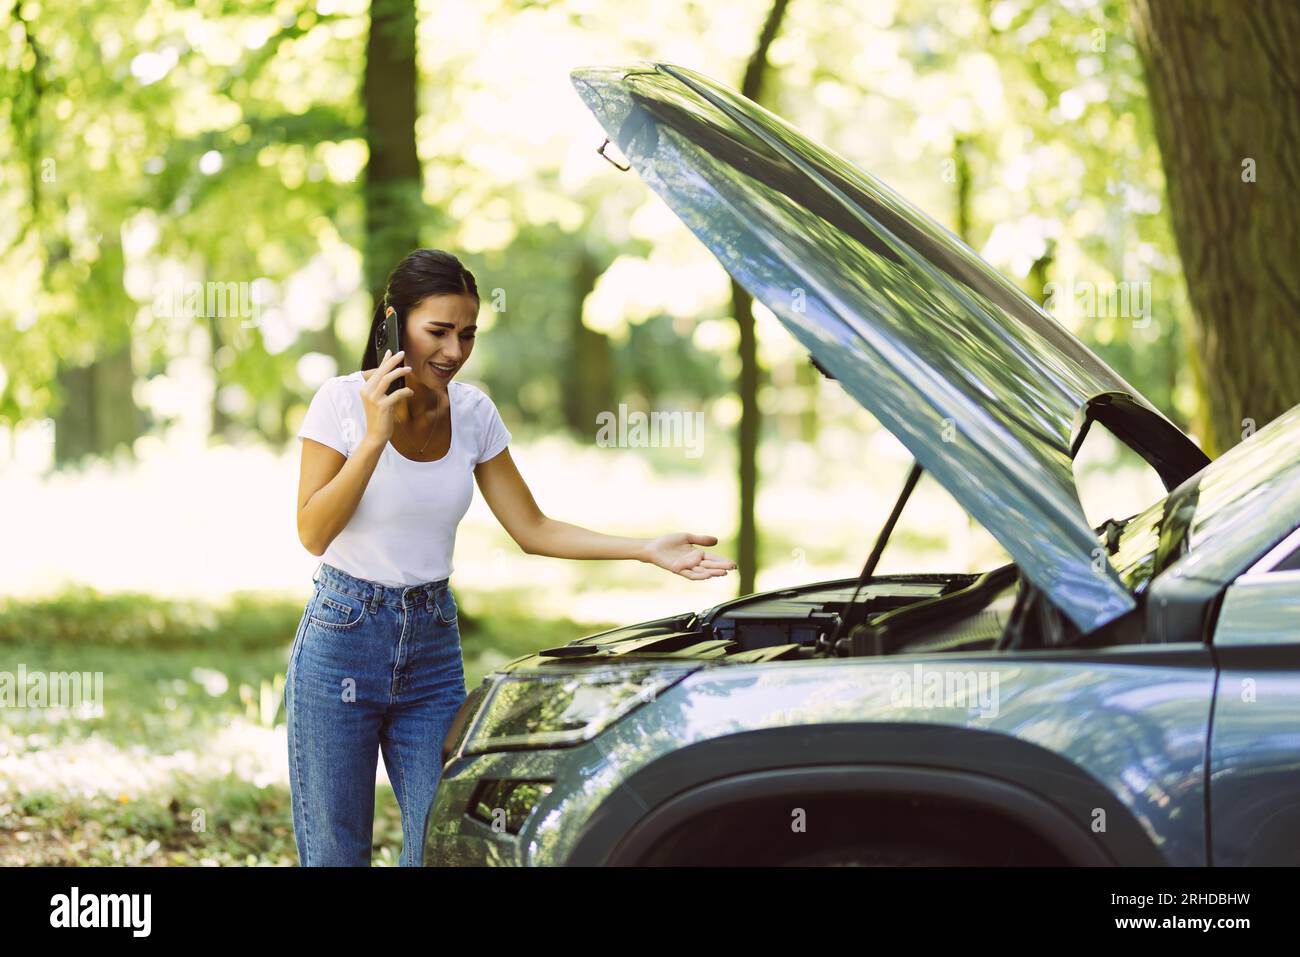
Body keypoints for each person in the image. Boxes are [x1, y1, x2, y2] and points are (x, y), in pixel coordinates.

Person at [287, 247, 736, 866]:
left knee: (442, 848)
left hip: (431, 650)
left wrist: (644, 550)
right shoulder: (339, 404)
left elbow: (532, 527)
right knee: (337, 854)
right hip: (343, 636)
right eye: (436, 332)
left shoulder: (473, 413)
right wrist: (373, 437)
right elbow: (313, 530)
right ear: (392, 323)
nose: (453, 351)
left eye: (466, 334)